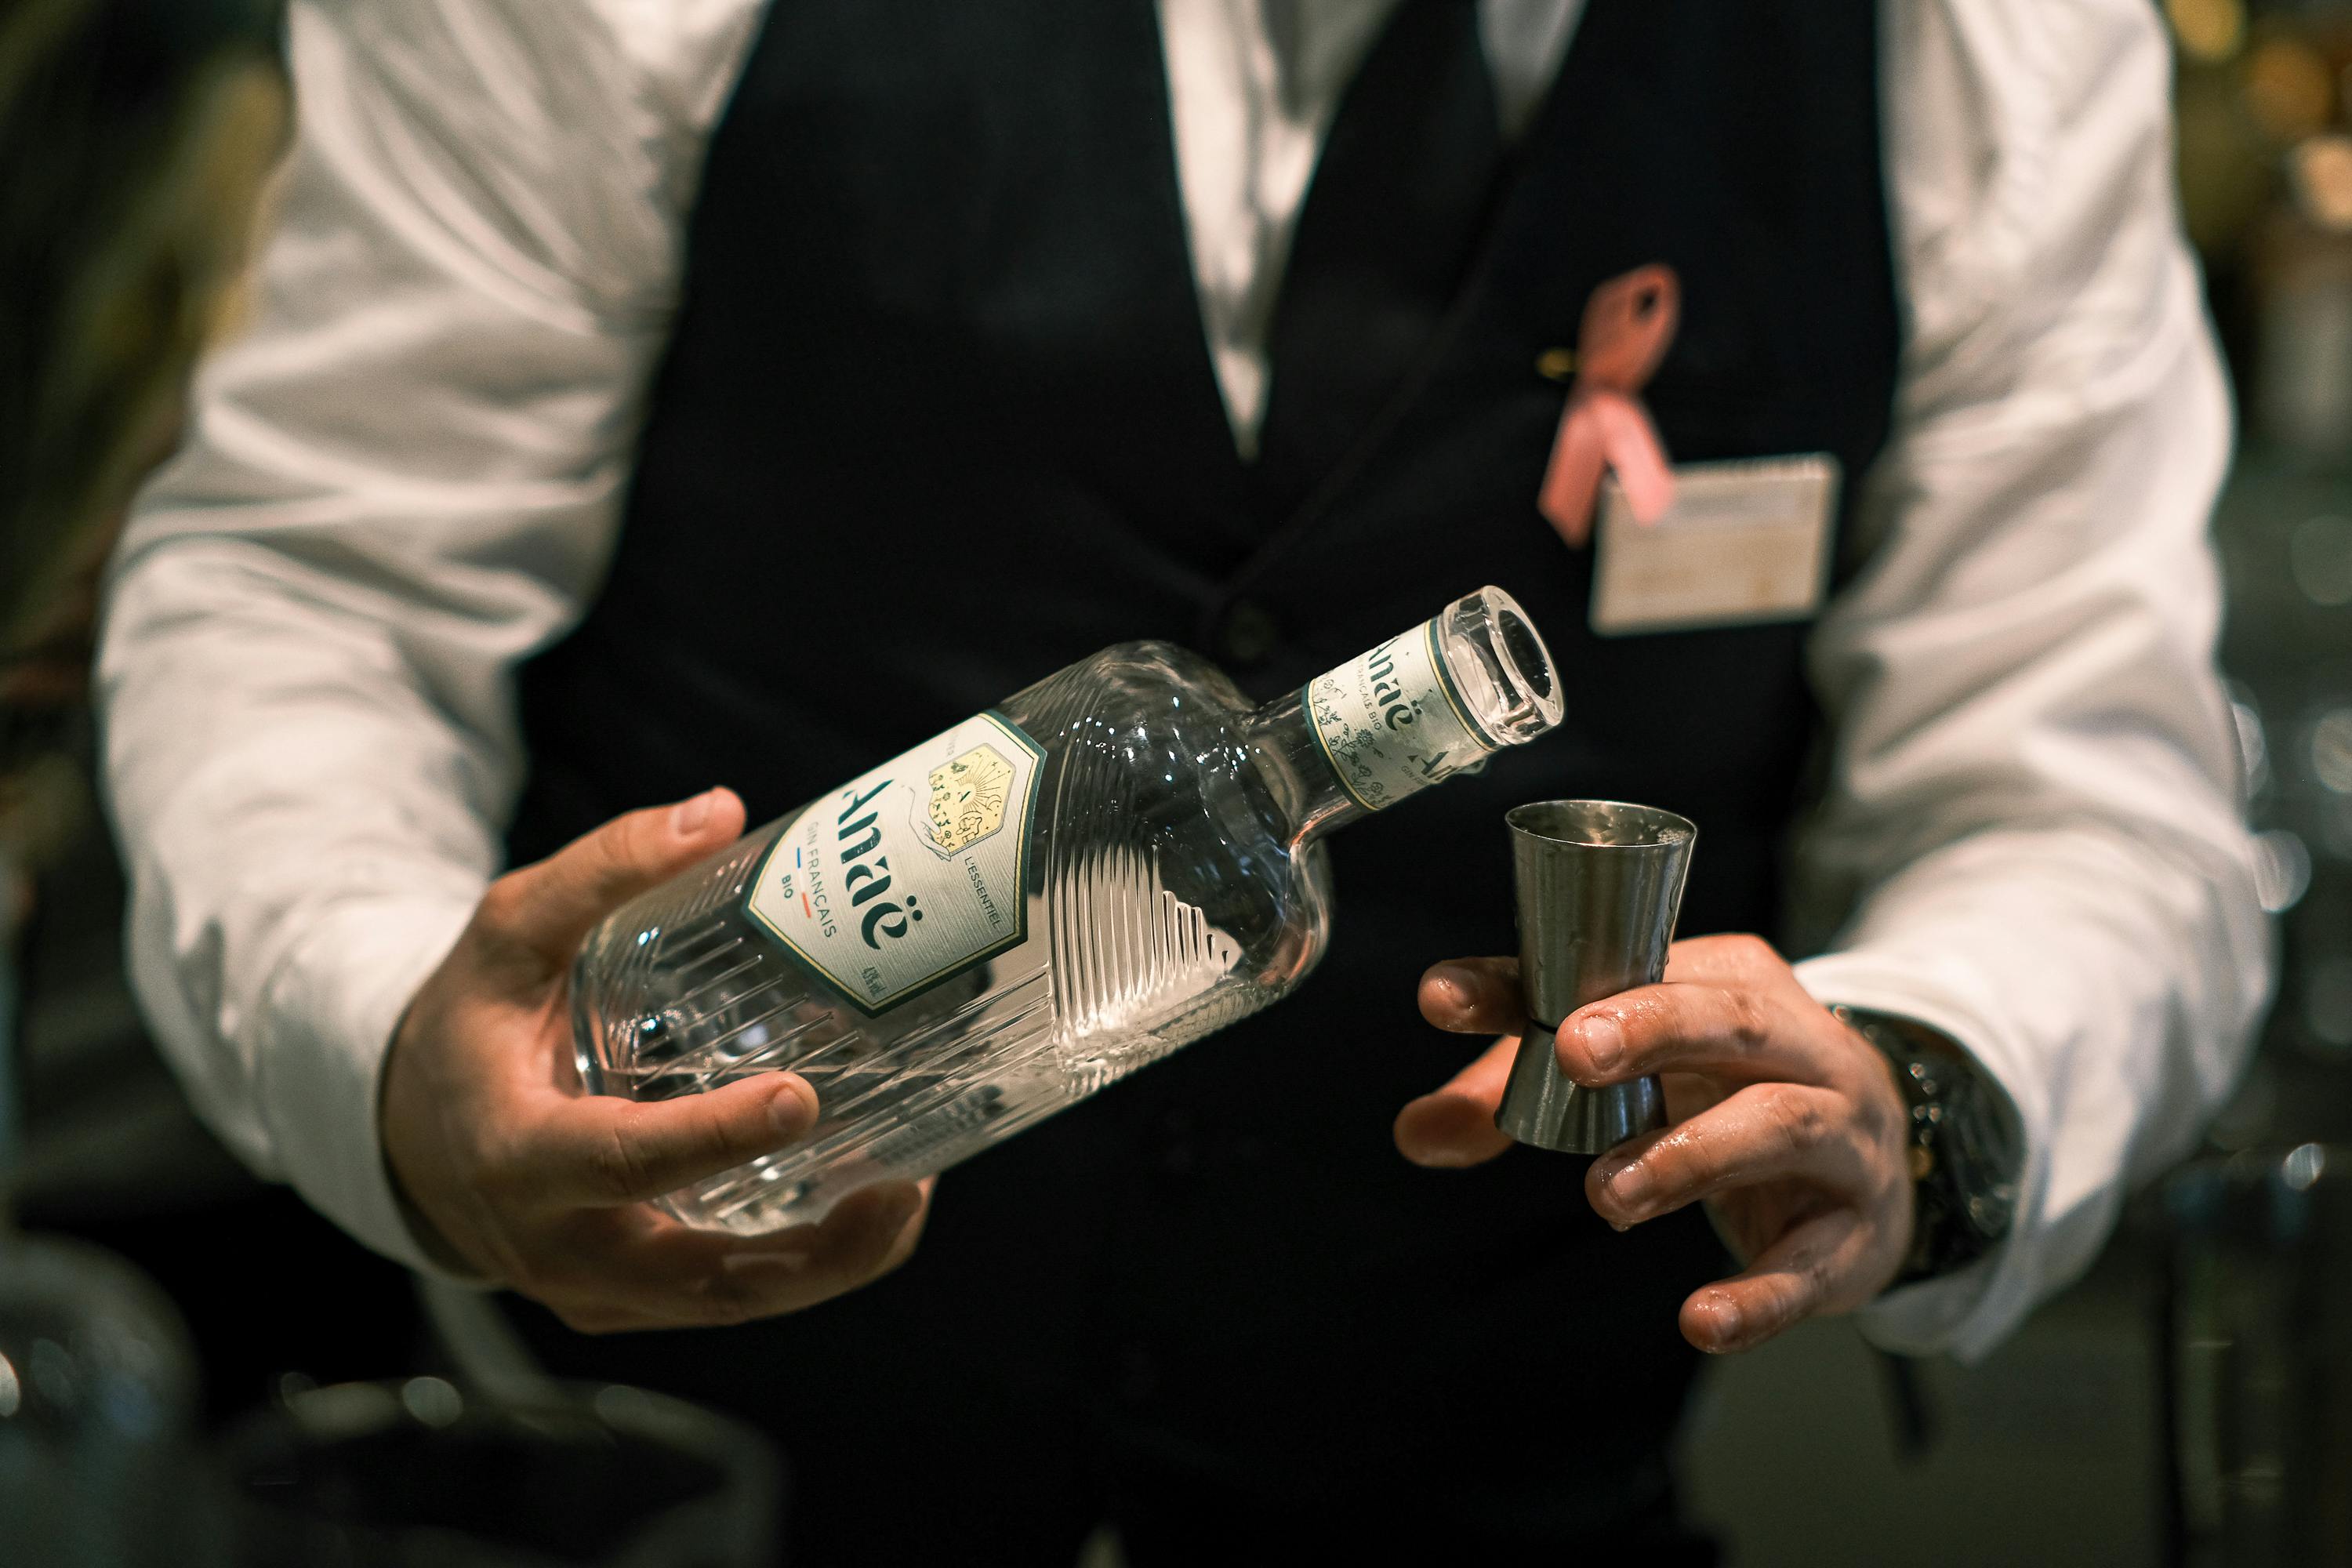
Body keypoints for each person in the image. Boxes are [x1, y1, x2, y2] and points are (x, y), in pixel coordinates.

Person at [100, 0, 2270, 1559]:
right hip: (664, 1493)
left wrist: (1920, 1083)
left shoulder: (1990, 41)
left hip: (1497, 1500)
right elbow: (321, 586)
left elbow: (2085, 791)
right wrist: (391, 1047)